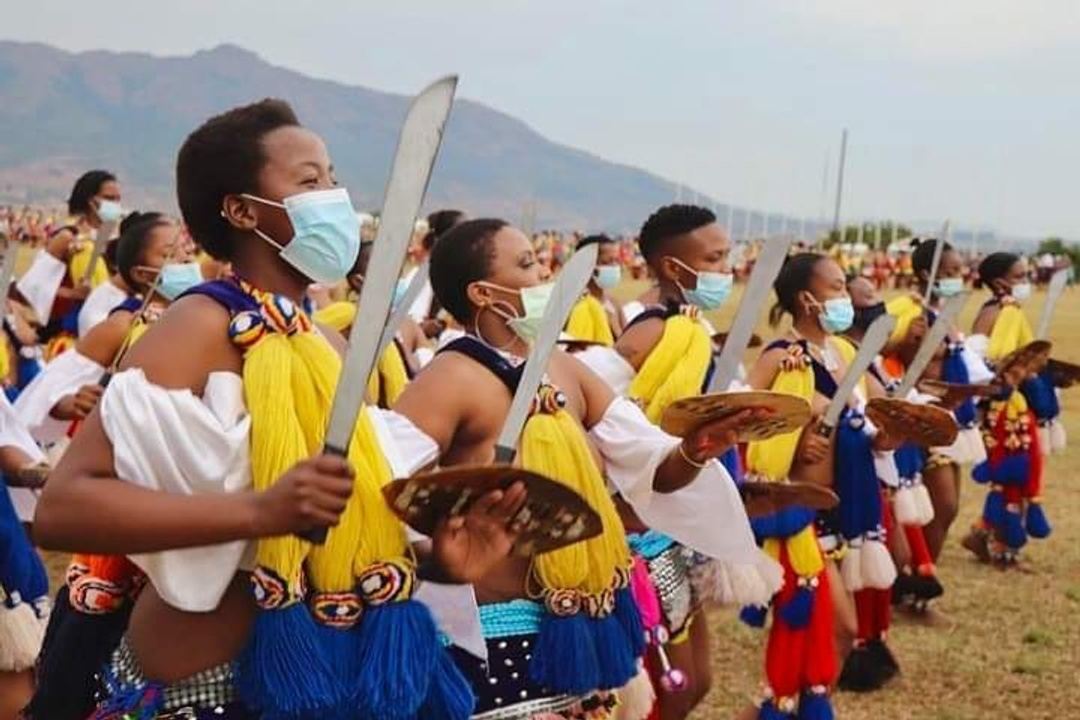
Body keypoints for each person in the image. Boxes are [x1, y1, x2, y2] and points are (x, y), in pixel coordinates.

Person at [32, 98, 524, 720]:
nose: (335, 195)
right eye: (310, 181)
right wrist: (259, 511)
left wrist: (437, 563)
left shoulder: (327, 344)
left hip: (328, 683)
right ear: (241, 210)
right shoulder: (200, 325)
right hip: (208, 689)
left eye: (334, 178)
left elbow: (337, 532)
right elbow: (64, 507)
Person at [393, 217, 770, 720]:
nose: (546, 271)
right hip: (488, 634)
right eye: (527, 263)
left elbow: (650, 463)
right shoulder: (449, 379)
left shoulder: (566, 369)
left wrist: (694, 450)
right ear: (483, 293)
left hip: (577, 625)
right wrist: (436, 558)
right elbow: (382, 493)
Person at [608, 205, 774, 720]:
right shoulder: (650, 333)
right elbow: (609, 417)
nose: (728, 269)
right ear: (675, 269)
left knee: (697, 680)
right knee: (668, 687)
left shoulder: (689, 327)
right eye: (717, 258)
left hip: (680, 521)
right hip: (645, 530)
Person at [742, 253, 899, 718]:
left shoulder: (847, 352)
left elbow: (869, 418)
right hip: (795, 517)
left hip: (838, 510)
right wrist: (796, 439)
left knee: (829, 640)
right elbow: (747, 427)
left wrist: (886, 434)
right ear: (807, 299)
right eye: (836, 288)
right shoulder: (779, 356)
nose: (846, 297)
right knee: (834, 633)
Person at [962, 252, 1050, 567]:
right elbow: (982, 363)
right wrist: (1016, 373)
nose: (1026, 283)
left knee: (1022, 471)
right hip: (999, 408)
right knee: (1011, 473)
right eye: (1020, 277)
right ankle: (1000, 543)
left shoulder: (1007, 311)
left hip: (1014, 404)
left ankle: (990, 535)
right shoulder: (996, 312)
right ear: (1000, 282)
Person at [14, 170, 119, 359]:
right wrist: (73, 293)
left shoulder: (112, 240)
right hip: (70, 333)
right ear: (91, 201)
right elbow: (30, 286)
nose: (115, 205)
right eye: (109, 198)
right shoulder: (67, 237)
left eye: (117, 199)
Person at [565, 234, 624, 346]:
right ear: (588, 265)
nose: (615, 266)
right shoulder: (574, 306)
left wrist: (615, 327)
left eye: (616, 261)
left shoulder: (614, 304)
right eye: (607, 262)